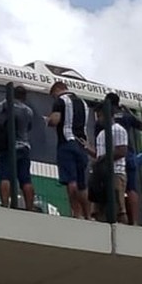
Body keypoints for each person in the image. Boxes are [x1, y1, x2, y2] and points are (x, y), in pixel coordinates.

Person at [0, 85, 36, 210]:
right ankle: (30, 207)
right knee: (26, 179)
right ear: (24, 96)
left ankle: (4, 205)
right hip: (24, 148)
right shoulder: (29, 111)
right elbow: (29, 127)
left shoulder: (6, 105)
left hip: (6, 147)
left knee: (4, 177)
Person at [47, 81, 89, 218]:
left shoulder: (60, 101)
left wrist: (48, 120)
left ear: (57, 90)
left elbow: (55, 120)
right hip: (82, 146)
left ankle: (76, 213)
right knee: (82, 184)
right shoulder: (83, 103)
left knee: (71, 181)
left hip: (67, 143)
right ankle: (87, 214)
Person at [106, 93, 142, 225]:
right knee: (131, 189)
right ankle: (133, 221)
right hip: (129, 154)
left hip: (115, 155)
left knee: (116, 186)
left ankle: (119, 216)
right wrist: (129, 111)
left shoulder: (107, 116)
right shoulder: (126, 116)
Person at [87, 103, 128, 223]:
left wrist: (103, 159)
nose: (98, 120)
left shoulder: (118, 130)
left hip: (116, 172)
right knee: (99, 207)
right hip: (101, 174)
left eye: (99, 116)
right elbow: (99, 154)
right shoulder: (101, 134)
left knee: (118, 206)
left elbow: (122, 151)